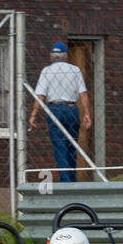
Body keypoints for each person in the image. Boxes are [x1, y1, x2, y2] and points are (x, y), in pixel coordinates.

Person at [29, 42, 90, 183]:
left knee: (59, 145)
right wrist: (87, 113)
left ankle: (65, 180)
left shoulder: (47, 71)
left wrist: (33, 114)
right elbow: (83, 94)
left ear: (51, 56)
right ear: (66, 56)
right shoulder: (75, 70)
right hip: (72, 109)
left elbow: (40, 95)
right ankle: (72, 179)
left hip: (55, 109)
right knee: (72, 145)